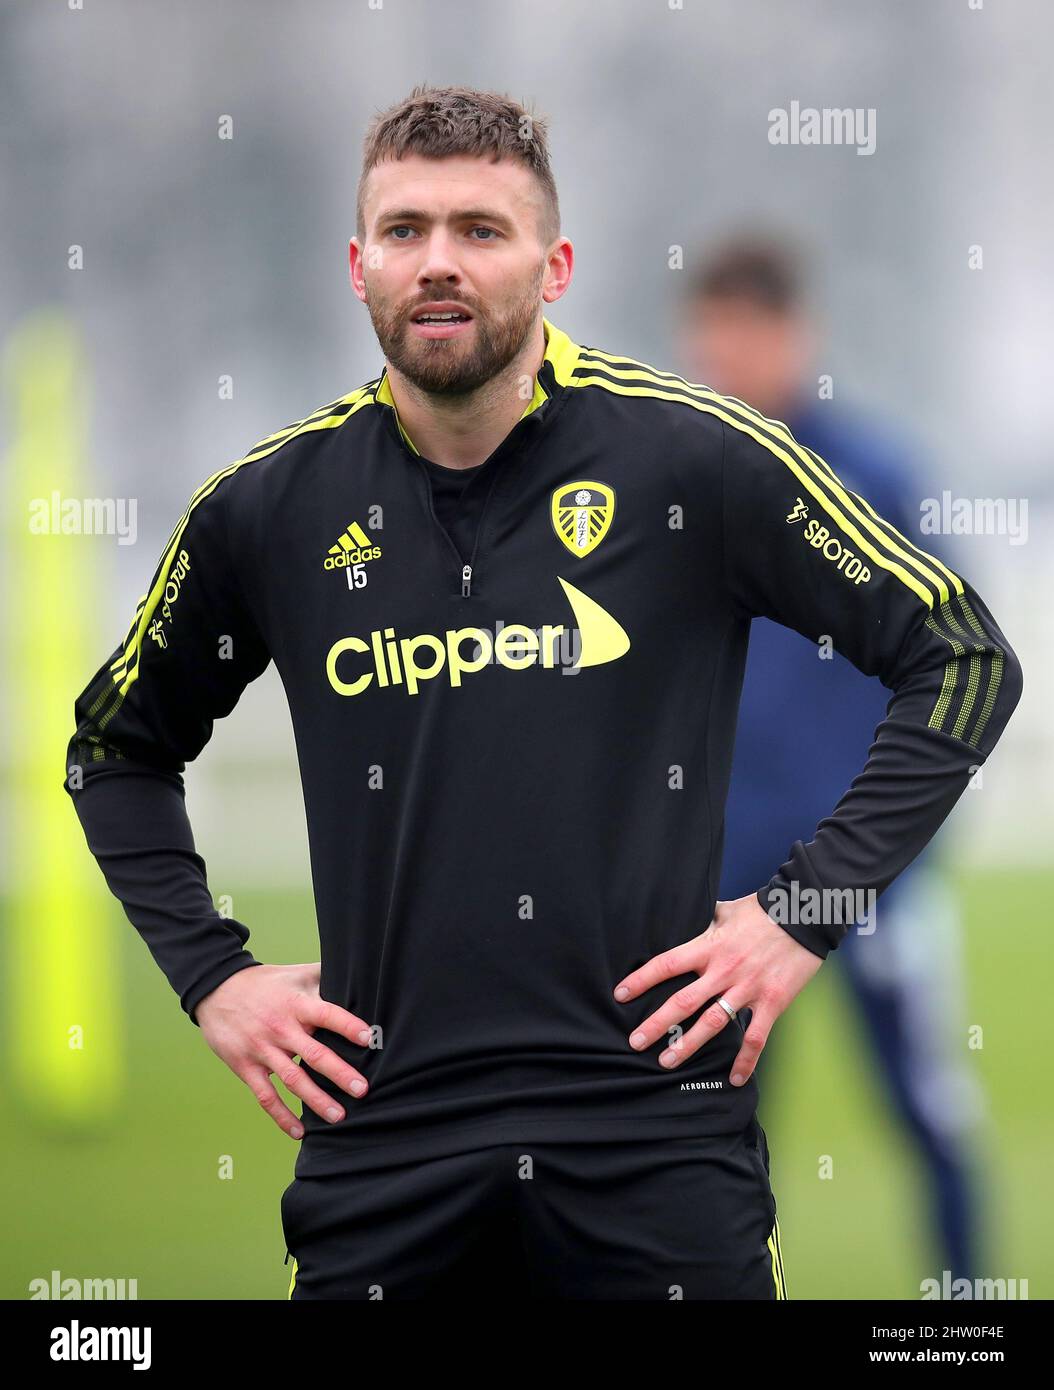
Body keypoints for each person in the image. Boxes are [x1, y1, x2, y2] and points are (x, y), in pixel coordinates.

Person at [64, 85, 1022, 1301]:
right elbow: (114, 750)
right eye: (405, 231)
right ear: (357, 264)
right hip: (383, 1149)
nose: (439, 264)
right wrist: (214, 975)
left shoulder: (693, 457)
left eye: (481, 229)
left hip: (655, 1149)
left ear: (555, 263)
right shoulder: (269, 509)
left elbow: (962, 656)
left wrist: (801, 911)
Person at [676, 237, 990, 1285]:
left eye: (748, 329)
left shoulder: (874, 471)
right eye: (711, 330)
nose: (729, 352)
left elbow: (959, 666)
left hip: (870, 876)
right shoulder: (676, 477)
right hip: (723, 883)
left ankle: (960, 1318)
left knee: (928, 1105)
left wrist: (917, 846)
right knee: (706, 1134)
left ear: (793, 332)